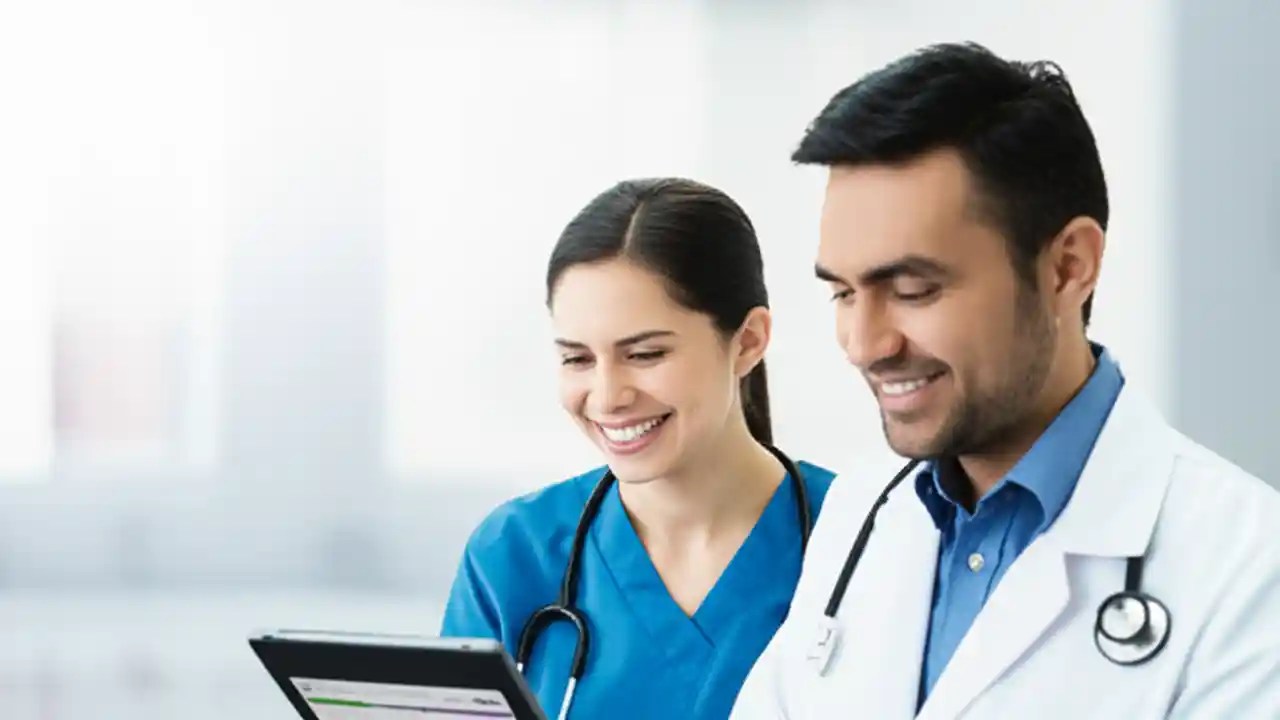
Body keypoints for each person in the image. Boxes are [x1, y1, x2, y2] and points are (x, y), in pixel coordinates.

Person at [731, 42, 1280, 719]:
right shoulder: (860, 517)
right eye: (843, 293)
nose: (864, 344)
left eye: (912, 288)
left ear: (1067, 267)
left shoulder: (1250, 569)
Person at [440, 177, 837, 719]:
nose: (607, 396)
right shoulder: (515, 553)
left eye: (645, 354)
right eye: (578, 359)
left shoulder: (863, 542)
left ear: (747, 341)